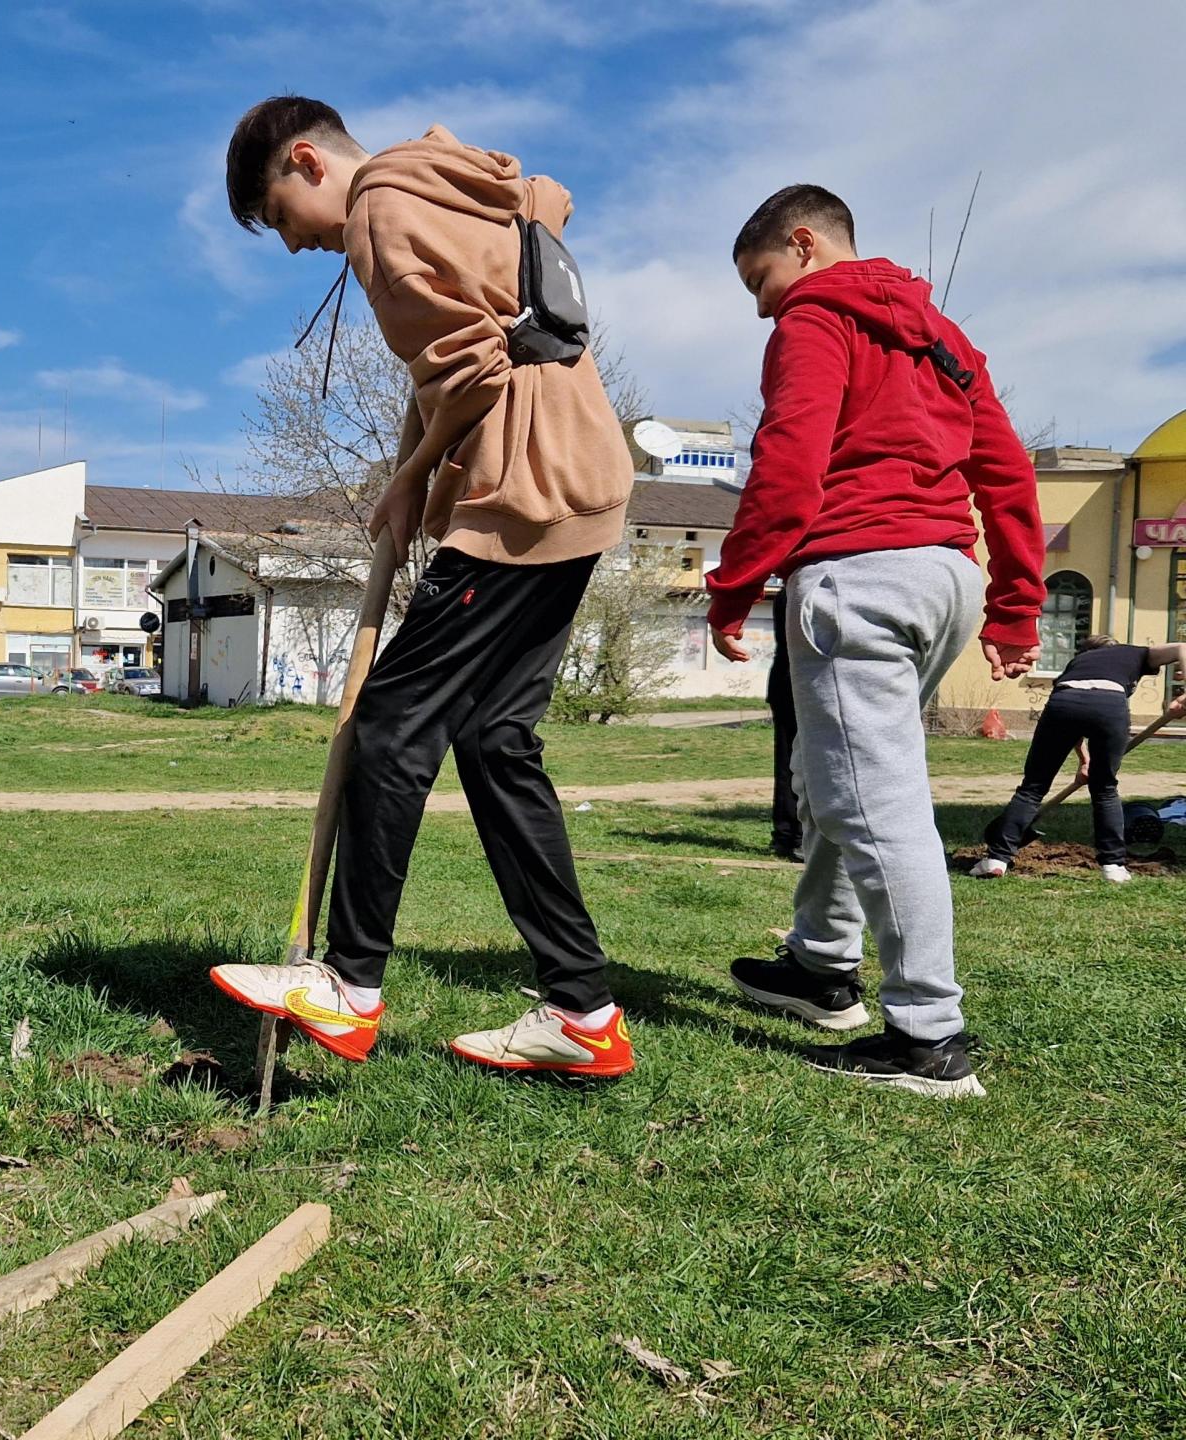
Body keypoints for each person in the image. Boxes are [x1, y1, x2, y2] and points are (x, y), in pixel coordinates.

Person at [206, 97, 638, 1078]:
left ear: (309, 162)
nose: (291, 246)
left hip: (525, 484)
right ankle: (581, 1012)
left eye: (279, 217)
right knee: (494, 739)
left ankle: (347, 988)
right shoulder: (454, 187)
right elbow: (539, 216)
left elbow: (478, 368)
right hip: (582, 475)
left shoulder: (382, 213)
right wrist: (414, 462)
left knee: (394, 718)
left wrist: (413, 480)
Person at [706, 184, 1045, 1101]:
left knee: (875, 799)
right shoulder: (940, 334)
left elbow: (788, 460)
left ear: (805, 244)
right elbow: (1005, 470)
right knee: (840, 777)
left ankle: (927, 1036)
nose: (763, 305)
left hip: (859, 575)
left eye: (761, 279)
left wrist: (733, 586)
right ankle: (821, 964)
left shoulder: (813, 322)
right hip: (943, 577)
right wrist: (1015, 601)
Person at [974, 639, 1186, 882]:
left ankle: (996, 859)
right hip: (1109, 705)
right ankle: (1114, 867)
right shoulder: (1135, 652)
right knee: (1105, 788)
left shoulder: (1078, 663)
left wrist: (1084, 760)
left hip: (1064, 702)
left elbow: (1073, 711)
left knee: (1033, 787)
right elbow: (1183, 647)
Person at [765, 589, 803, 861]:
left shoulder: (788, 593)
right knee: (796, 764)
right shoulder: (801, 592)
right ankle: (794, 837)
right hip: (797, 686)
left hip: (786, 683)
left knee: (789, 763)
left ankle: (787, 836)